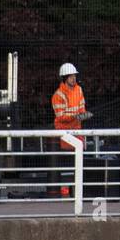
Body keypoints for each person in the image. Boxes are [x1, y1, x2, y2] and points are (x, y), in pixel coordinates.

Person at [50, 62, 89, 197]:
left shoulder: (79, 90)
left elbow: (82, 109)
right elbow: (61, 117)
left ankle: (76, 191)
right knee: (66, 163)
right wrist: (77, 116)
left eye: (74, 76)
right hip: (64, 134)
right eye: (71, 76)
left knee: (78, 163)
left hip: (77, 132)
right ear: (64, 78)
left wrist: (81, 115)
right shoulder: (58, 95)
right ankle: (65, 191)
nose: (74, 79)